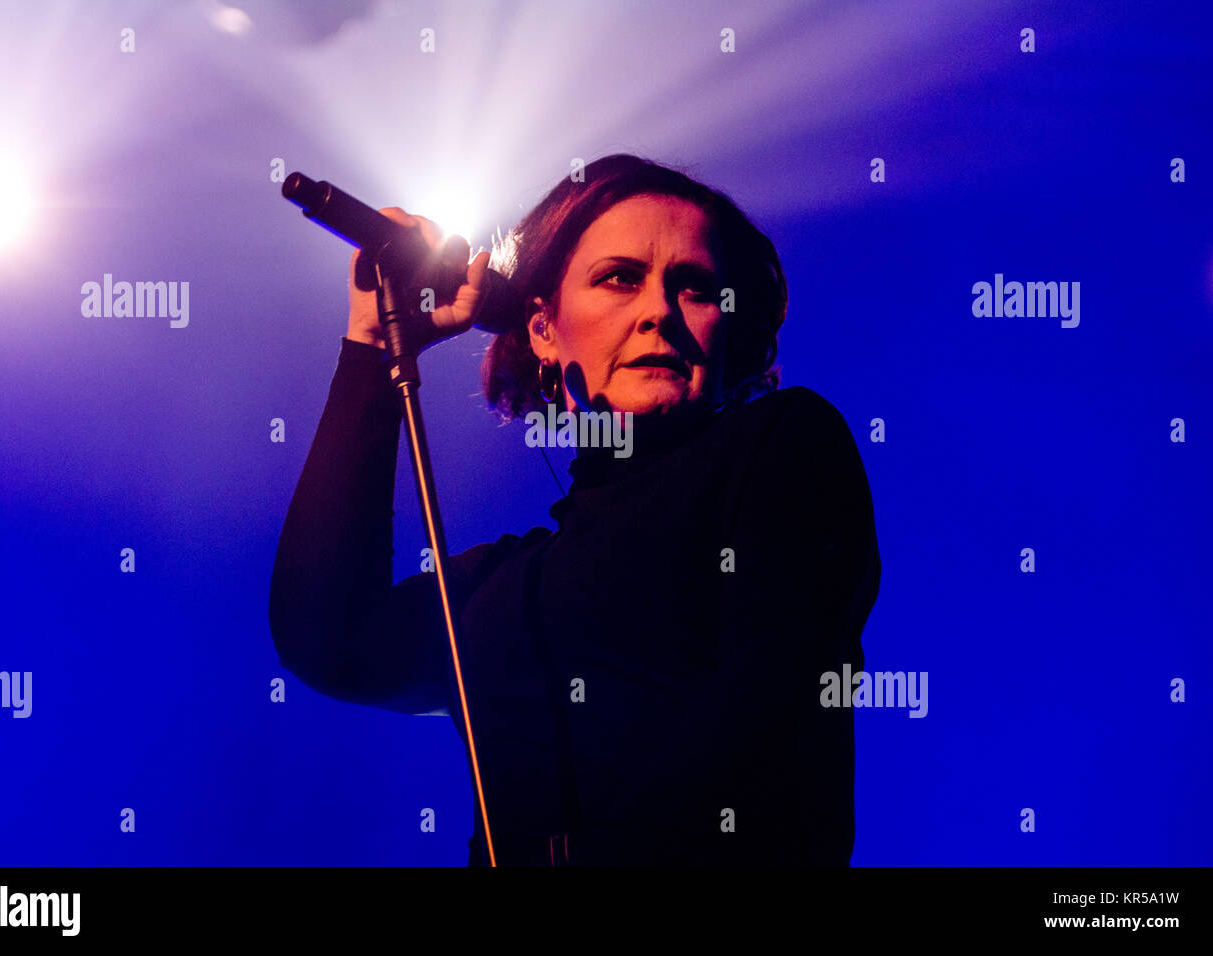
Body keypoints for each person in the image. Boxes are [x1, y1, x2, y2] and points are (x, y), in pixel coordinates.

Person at [268, 154, 881, 866]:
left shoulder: (785, 442)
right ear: (542, 330)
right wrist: (370, 350)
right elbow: (329, 640)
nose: (658, 311)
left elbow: (770, 705)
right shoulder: (506, 588)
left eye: (695, 287)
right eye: (620, 278)